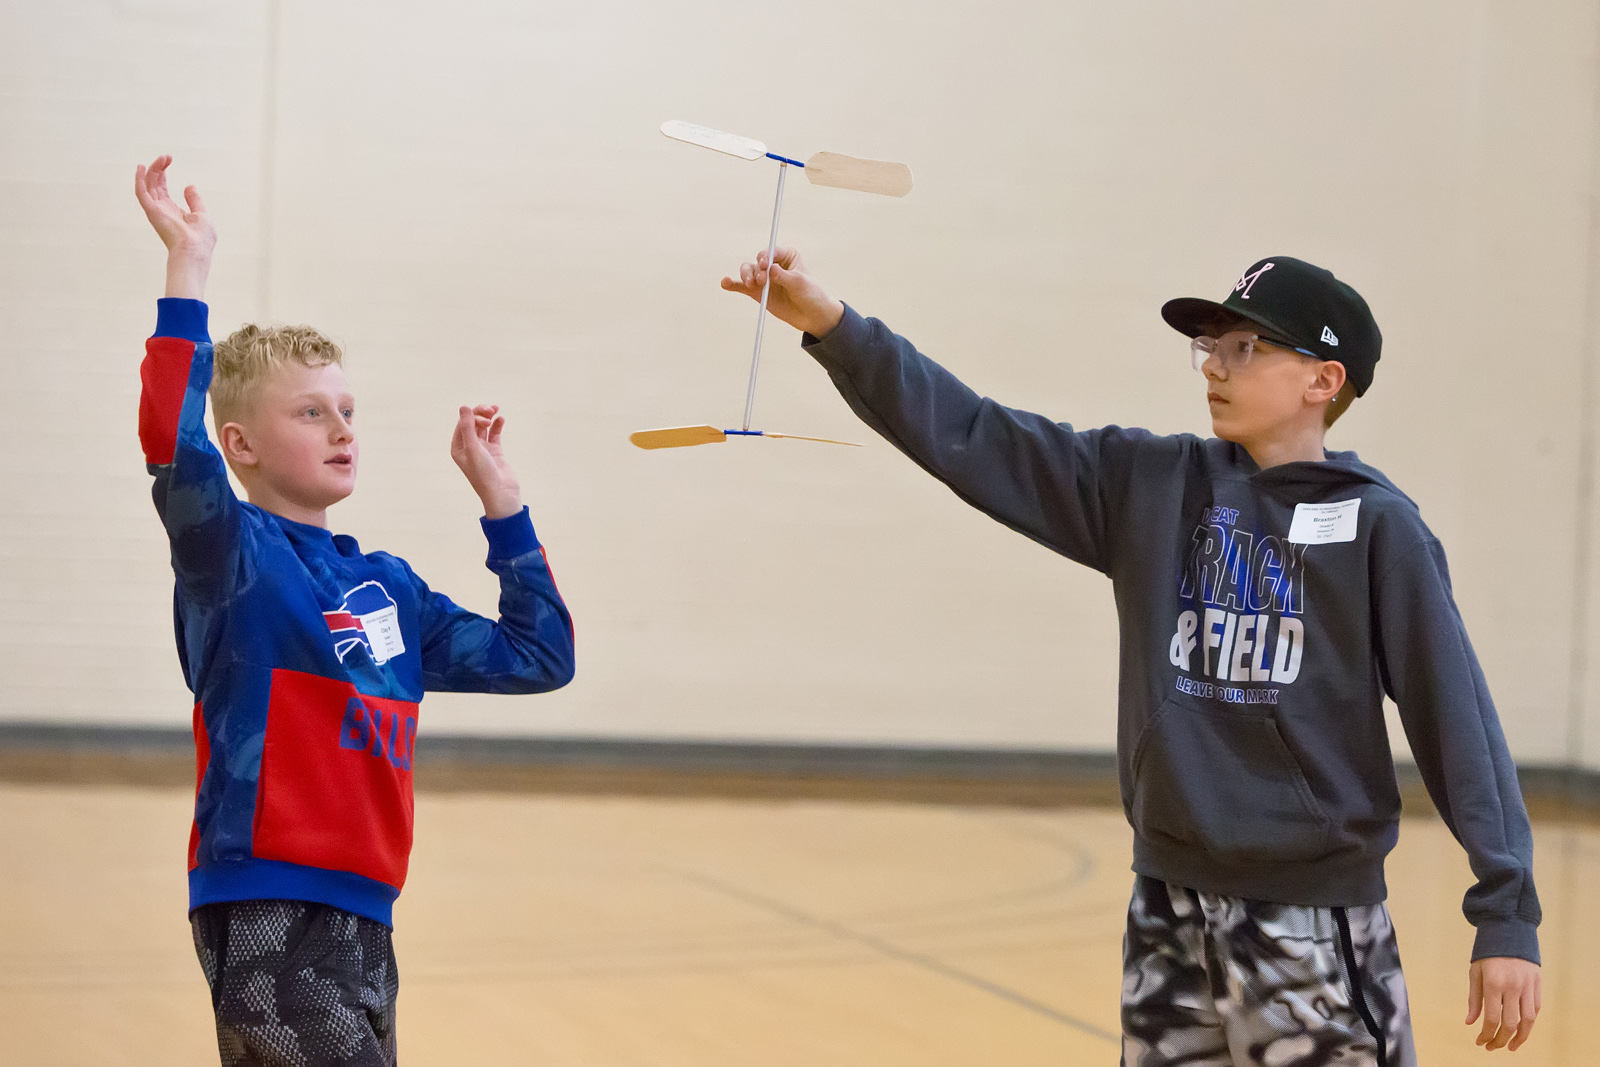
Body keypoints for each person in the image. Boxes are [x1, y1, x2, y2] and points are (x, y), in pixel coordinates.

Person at [722, 248, 1542, 1064]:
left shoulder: (1378, 529)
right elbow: (978, 435)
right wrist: (834, 327)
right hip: (1168, 909)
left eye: (1244, 348)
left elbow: (1457, 719)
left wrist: (1505, 911)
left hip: (1310, 923)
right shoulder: (1152, 484)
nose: (1214, 366)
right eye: (1210, 346)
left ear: (1322, 382)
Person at [134, 154, 576, 1067]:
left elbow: (540, 655)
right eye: (310, 412)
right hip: (267, 904)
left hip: (368, 911)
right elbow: (169, 442)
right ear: (241, 443)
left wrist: (503, 505)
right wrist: (189, 272)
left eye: (348, 409)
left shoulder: (390, 588)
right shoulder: (234, 559)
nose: (342, 429)